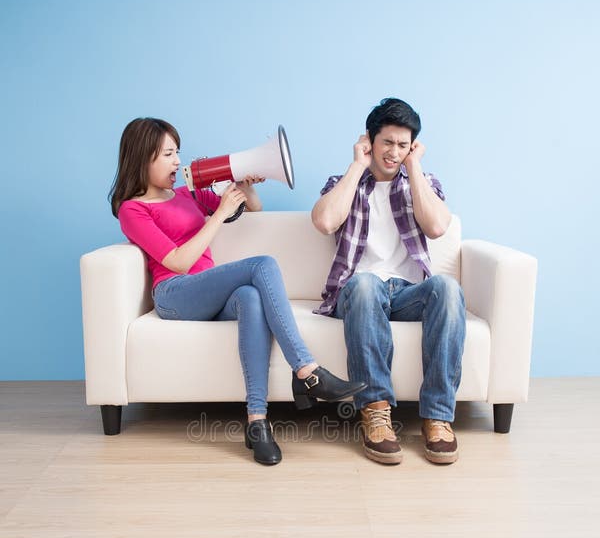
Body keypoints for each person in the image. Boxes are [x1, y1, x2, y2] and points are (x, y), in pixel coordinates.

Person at [109, 117, 365, 466]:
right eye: (167, 154)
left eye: (177, 152)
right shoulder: (132, 209)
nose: (177, 162)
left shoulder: (186, 194)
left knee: (250, 298)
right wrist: (218, 215)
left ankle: (257, 422)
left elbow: (254, 209)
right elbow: (179, 262)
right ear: (142, 158)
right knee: (262, 265)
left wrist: (245, 185)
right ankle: (307, 371)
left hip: (206, 291)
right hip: (175, 294)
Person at [311, 98, 466, 466]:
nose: (394, 152)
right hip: (360, 293)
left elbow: (437, 227)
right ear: (370, 140)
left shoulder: (422, 182)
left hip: (409, 293)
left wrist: (415, 166)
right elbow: (325, 222)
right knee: (365, 284)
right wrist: (357, 165)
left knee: (447, 288)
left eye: (403, 145)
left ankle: (438, 417)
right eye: (387, 142)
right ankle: (376, 413)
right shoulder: (344, 183)